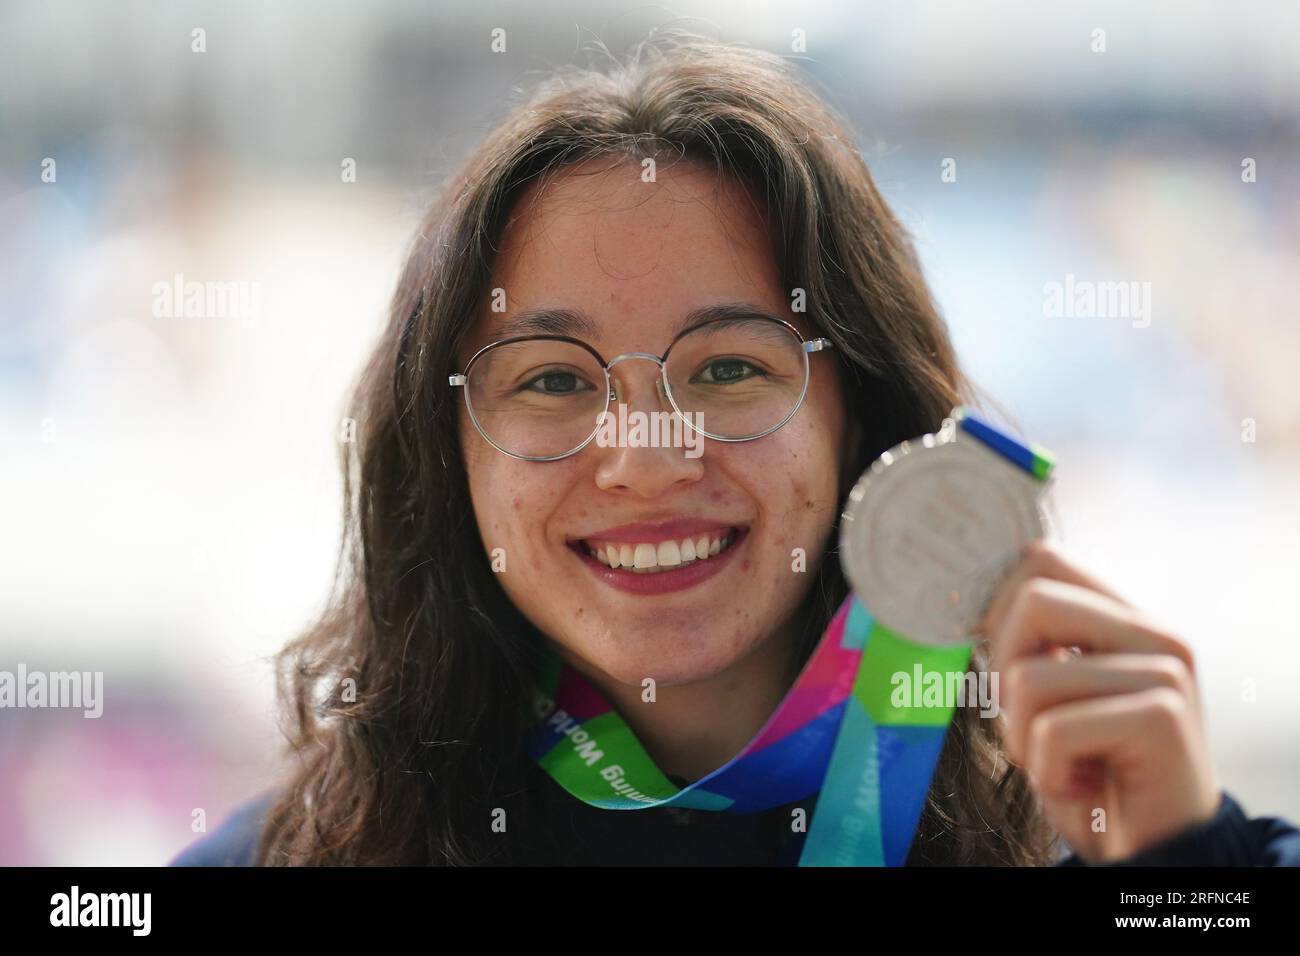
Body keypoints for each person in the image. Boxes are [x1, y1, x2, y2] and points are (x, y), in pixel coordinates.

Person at [172, 34, 1298, 867]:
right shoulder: (286, 859)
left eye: (726, 369)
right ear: (447, 456)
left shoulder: (1113, 844)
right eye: (553, 380)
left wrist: (1187, 867)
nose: (646, 458)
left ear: (860, 416)